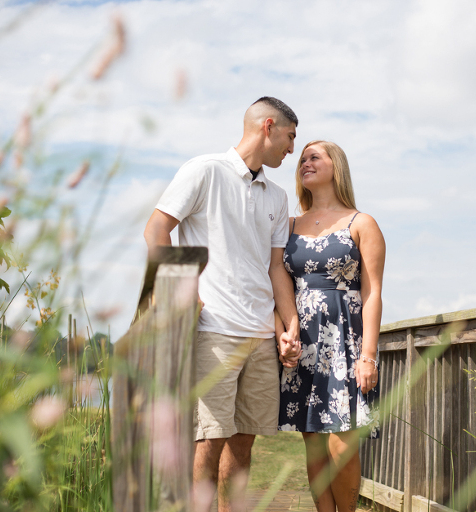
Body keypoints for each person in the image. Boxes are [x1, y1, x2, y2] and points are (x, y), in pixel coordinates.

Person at [143, 97, 302, 512]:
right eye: (290, 137)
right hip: (214, 328)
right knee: (209, 439)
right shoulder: (204, 170)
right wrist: (179, 286)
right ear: (268, 126)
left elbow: (275, 268)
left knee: (244, 442)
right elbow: (157, 228)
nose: (292, 149)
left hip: (261, 336)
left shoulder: (277, 196)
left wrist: (290, 325)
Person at [276, 140, 386, 512]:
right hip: (303, 341)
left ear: (335, 166)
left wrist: (368, 356)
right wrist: (285, 332)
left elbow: (372, 292)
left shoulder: (362, 223)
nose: (304, 163)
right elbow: (277, 281)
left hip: (345, 340)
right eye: (302, 159)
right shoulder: (288, 226)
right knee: (314, 443)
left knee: (342, 444)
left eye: (314, 157)